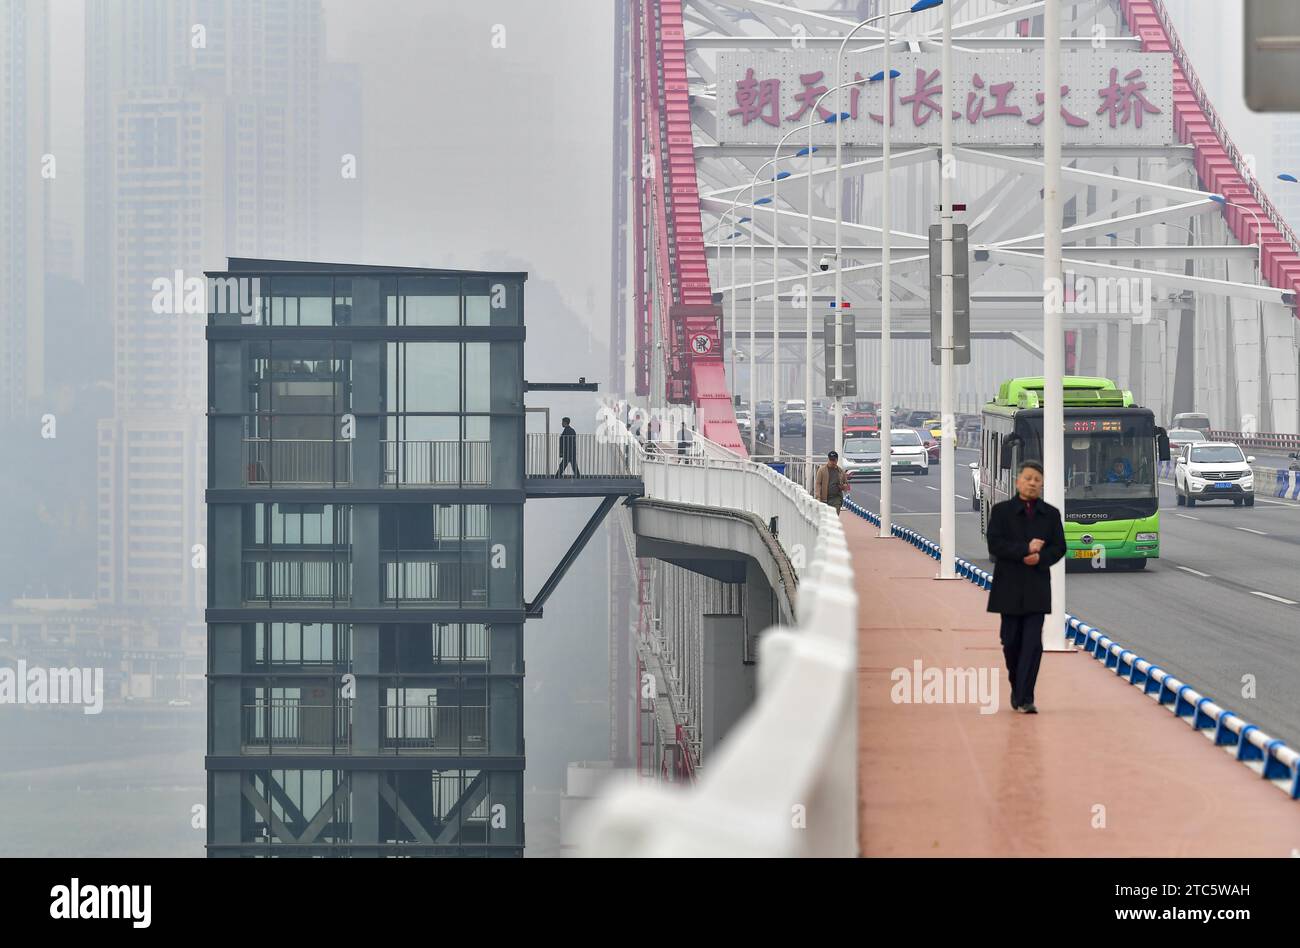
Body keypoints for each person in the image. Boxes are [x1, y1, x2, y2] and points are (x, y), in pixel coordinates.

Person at [986, 459, 1067, 714]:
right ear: (1018, 481)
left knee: (1032, 644)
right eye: (1029, 478)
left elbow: (1059, 547)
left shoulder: (1051, 515)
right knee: (1011, 642)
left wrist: (1040, 558)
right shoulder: (1000, 512)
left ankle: (1026, 697)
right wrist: (1024, 550)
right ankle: (1017, 688)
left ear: (1042, 485)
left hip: (1036, 587)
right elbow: (995, 545)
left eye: (1037, 480)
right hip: (1008, 587)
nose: (1033, 483)